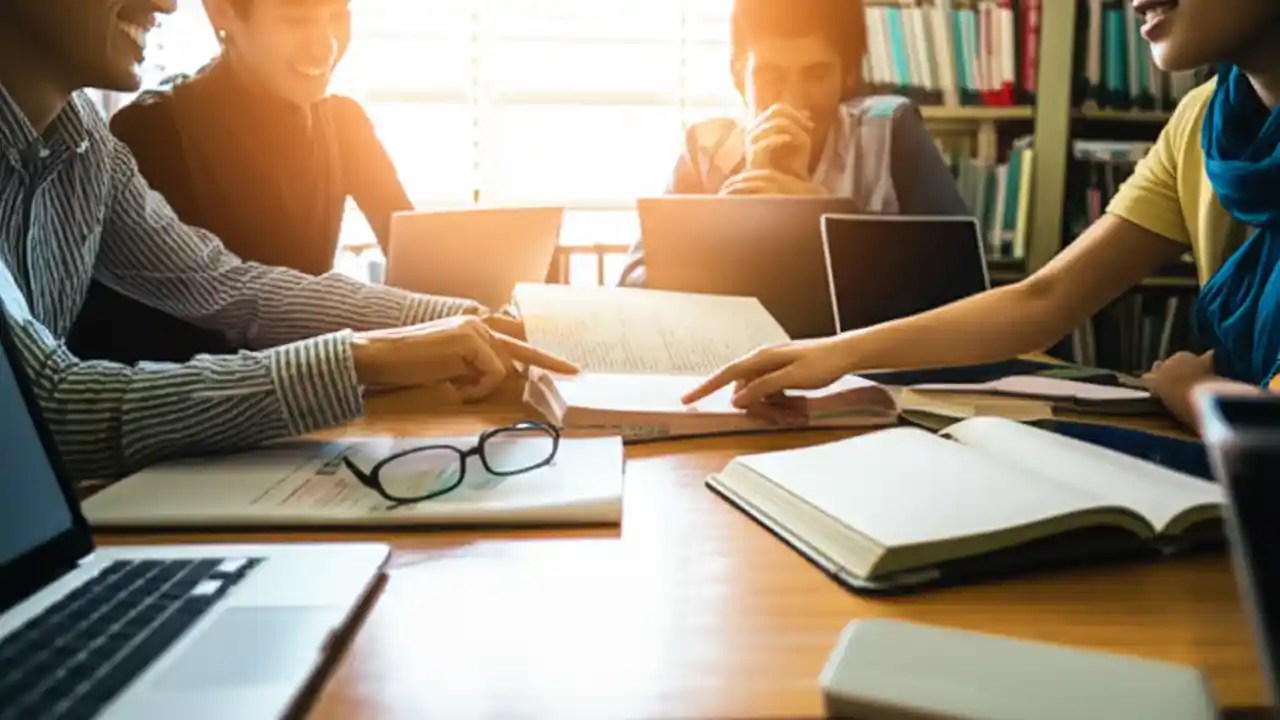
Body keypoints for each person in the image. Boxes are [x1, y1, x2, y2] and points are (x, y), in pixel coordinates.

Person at [0, 0, 575, 482]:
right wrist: (361, 359)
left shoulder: (85, 144)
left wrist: (468, 320)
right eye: (299, 18)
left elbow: (225, 285)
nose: (166, 3)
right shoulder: (150, 126)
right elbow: (47, 411)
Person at [685, 0, 1280, 429]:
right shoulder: (1202, 121)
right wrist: (837, 353)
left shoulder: (887, 129)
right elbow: (1045, 298)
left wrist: (1193, 391)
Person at [69, 0, 413, 363]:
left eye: (337, 16)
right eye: (297, 20)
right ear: (221, 12)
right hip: (199, 399)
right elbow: (219, 300)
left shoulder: (345, 122)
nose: (325, 44)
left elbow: (414, 248)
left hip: (306, 385)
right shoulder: (150, 131)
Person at [619, 0, 968, 286]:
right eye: (770, 75)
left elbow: (958, 274)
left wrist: (835, 223)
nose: (793, 99)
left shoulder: (892, 130)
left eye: (816, 74)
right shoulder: (706, 149)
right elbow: (633, 284)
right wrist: (718, 231)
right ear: (738, 76)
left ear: (847, 75)